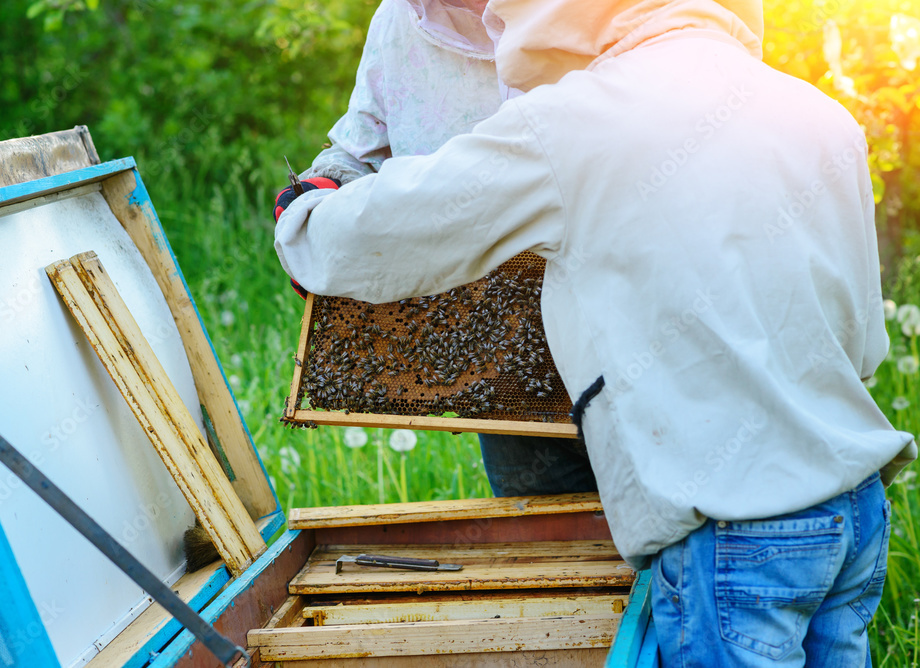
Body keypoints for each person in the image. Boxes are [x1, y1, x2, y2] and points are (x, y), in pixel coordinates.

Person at [274, 0, 918, 663]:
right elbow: (864, 348)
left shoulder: (573, 124)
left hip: (736, 535)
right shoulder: (818, 117)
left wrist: (305, 223)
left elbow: (398, 228)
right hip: (855, 509)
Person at [294, 0, 597, 499]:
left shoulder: (600, 12)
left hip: (629, 354)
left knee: (665, 556)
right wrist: (323, 187)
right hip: (503, 365)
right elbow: (360, 147)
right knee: (553, 549)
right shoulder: (398, 19)